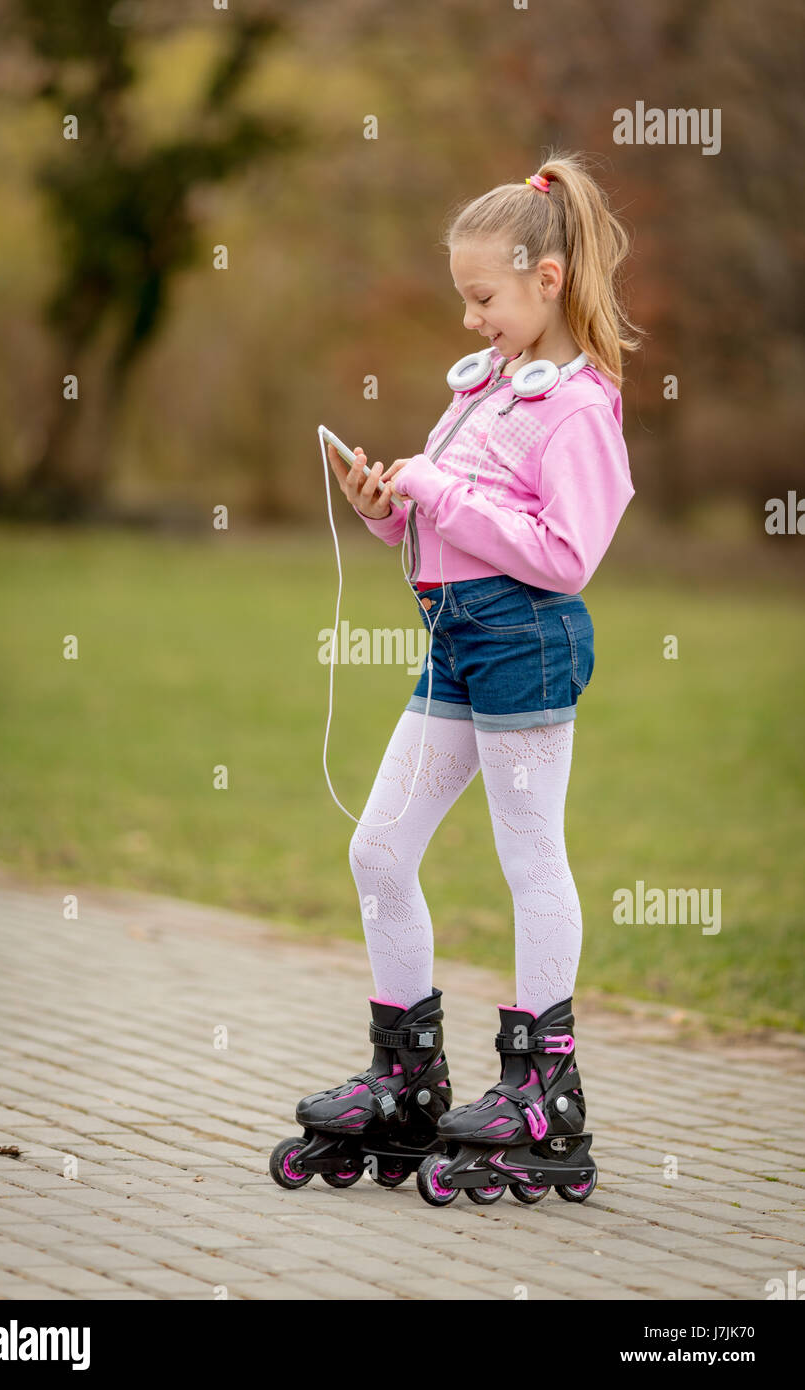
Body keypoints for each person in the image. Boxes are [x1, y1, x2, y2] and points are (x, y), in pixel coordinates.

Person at [271, 152, 640, 1204]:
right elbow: (448, 515)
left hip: (524, 640)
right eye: (463, 299)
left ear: (547, 277)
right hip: (454, 638)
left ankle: (544, 1090)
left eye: (484, 297)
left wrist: (432, 482)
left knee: (531, 861)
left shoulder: (576, 408)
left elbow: (564, 553)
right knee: (377, 846)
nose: (473, 319)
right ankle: (407, 1077)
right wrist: (386, 502)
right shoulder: (484, 391)